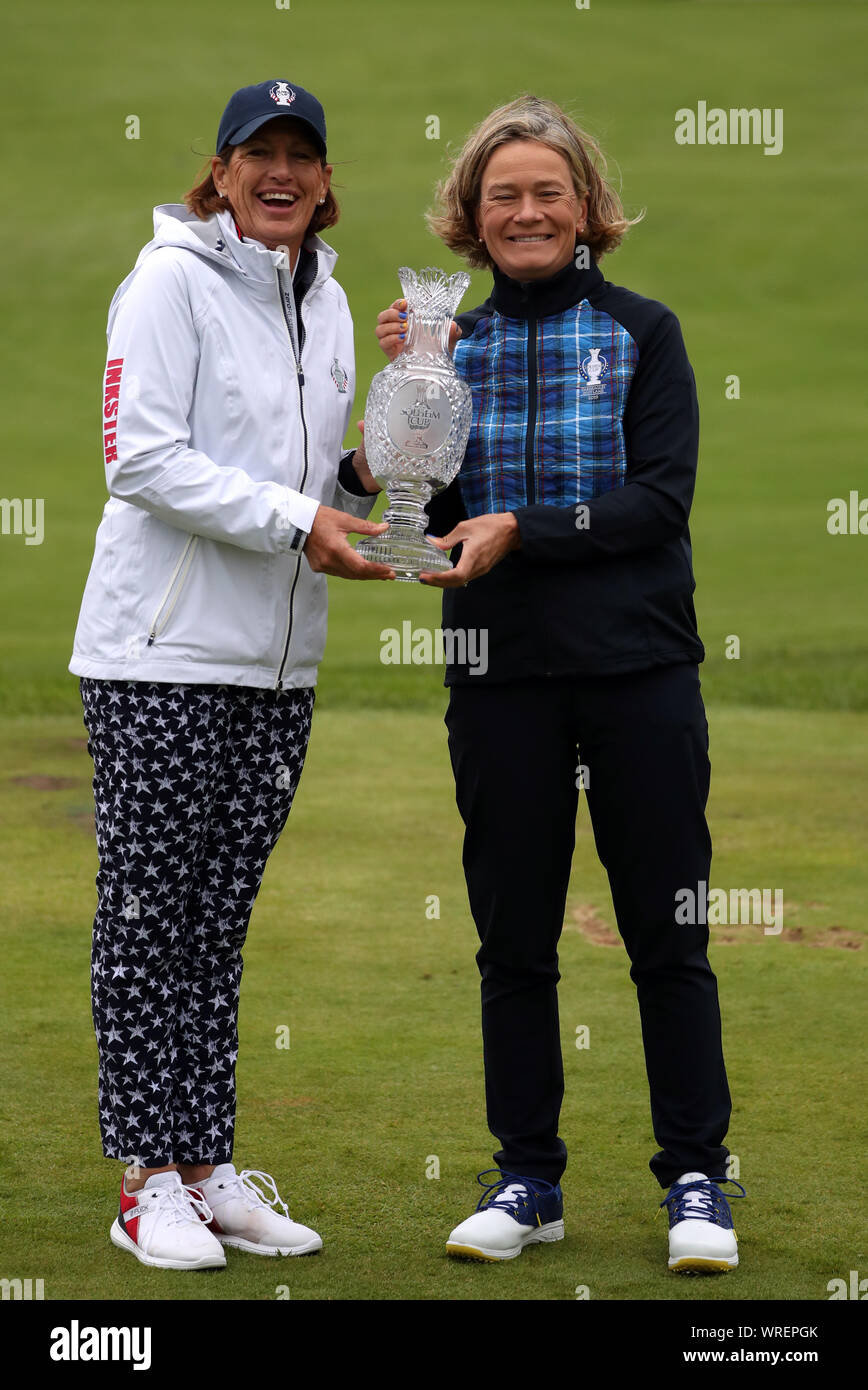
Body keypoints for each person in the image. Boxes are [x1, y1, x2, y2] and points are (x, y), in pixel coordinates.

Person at [376, 95, 744, 1272]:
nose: (525, 212)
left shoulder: (643, 330)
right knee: (513, 941)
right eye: (503, 196)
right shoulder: (452, 350)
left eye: (547, 191)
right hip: (500, 679)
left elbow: (658, 500)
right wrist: (404, 407)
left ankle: (695, 1177)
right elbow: (423, 518)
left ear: (585, 207)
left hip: (639, 670)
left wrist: (524, 529)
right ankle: (526, 1178)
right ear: (470, 218)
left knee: (667, 935)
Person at [69, 79, 394, 1271]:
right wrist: (302, 517)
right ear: (220, 171)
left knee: (215, 927)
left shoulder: (330, 298)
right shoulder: (168, 281)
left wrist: (379, 455)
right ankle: (143, 1180)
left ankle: (205, 1169)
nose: (281, 173)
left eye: (302, 155)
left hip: (276, 666)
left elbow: (311, 481)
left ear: (325, 179)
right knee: (147, 921)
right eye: (260, 153)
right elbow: (141, 459)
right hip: (159, 656)